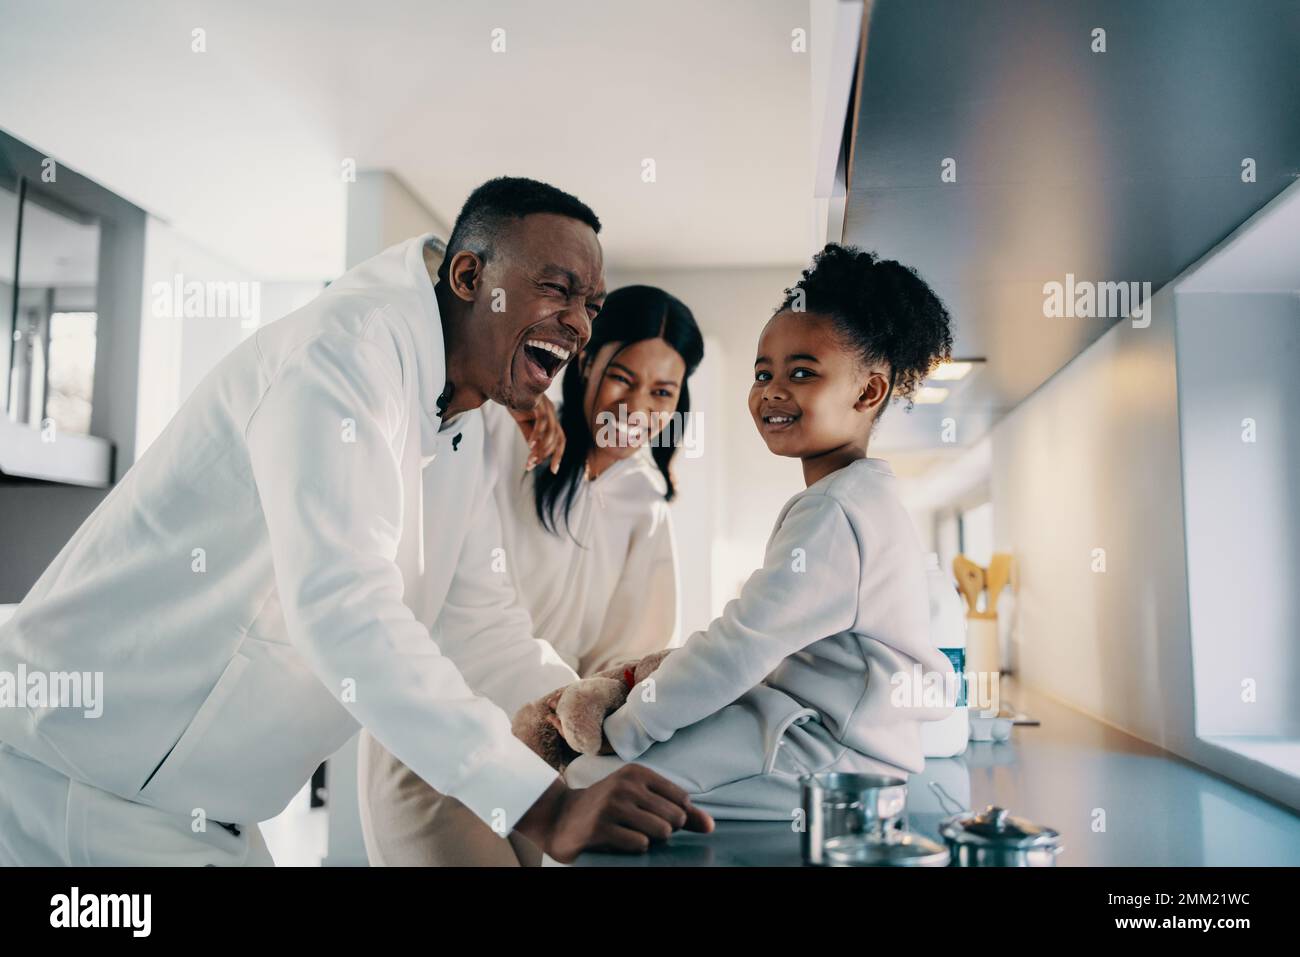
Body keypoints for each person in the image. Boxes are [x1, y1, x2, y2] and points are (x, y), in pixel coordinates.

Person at [0, 176, 711, 866]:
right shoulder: (345, 354)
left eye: (592, 302)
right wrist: (549, 809)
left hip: (199, 802)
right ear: (468, 276)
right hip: (86, 777)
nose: (581, 322)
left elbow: (482, 627)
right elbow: (345, 609)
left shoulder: (465, 420)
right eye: (557, 288)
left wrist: (592, 738)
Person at [562, 244, 958, 818]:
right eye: (762, 372)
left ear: (868, 392)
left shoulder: (835, 512)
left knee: (588, 779)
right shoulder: (859, 498)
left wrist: (627, 727)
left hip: (831, 763)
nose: (772, 390)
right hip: (838, 745)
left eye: (802, 373)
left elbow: (741, 644)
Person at [359, 285, 704, 865]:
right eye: (622, 377)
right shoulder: (505, 435)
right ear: (586, 361)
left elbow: (619, 669)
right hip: (440, 745)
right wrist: (507, 403)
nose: (637, 407)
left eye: (662, 391)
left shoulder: (645, 507)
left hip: (546, 761)